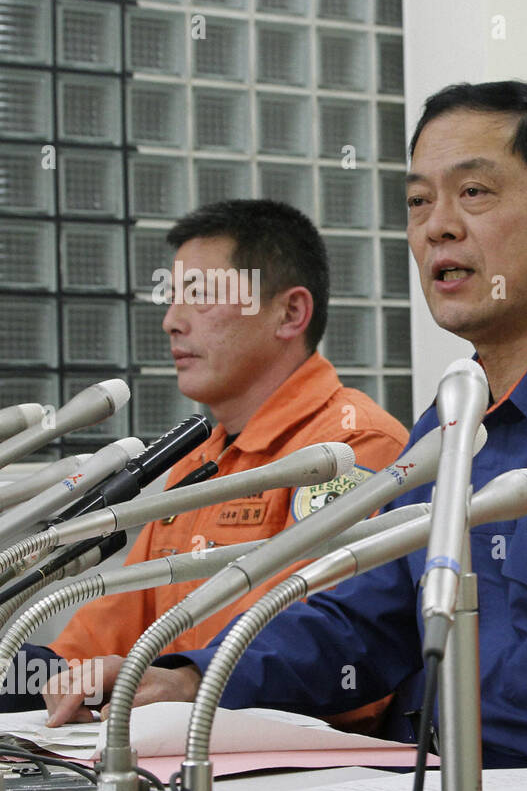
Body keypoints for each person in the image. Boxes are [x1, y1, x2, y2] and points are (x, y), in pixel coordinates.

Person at [49, 82, 527, 782]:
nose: (437, 226)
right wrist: (190, 678)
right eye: (418, 201)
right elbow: (357, 624)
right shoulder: (451, 424)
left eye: (474, 192)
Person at [21, 200, 408, 722]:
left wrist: (184, 679)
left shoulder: (351, 449)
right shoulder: (197, 463)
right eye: (172, 297)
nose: (171, 322)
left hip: (291, 775)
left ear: (290, 313)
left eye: (200, 296)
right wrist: (29, 675)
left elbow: (326, 645)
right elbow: (107, 631)